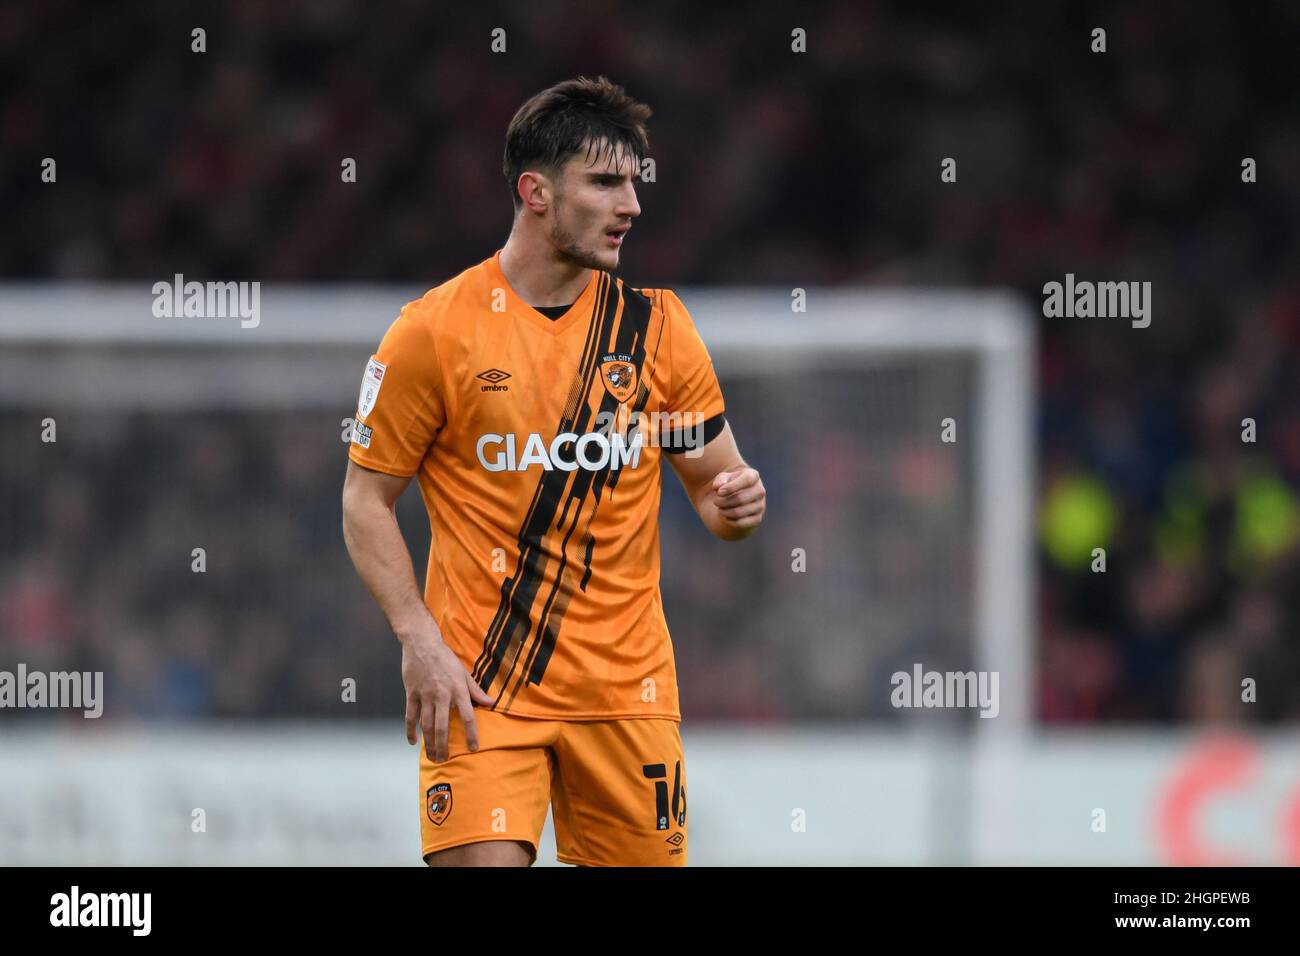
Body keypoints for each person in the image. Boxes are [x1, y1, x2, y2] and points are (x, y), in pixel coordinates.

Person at [341, 76, 765, 866]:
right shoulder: (433, 333)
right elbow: (366, 500)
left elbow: (717, 487)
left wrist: (738, 502)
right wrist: (417, 638)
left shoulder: (657, 330)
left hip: (627, 695)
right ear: (535, 192)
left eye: (634, 183)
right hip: (482, 687)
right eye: (605, 182)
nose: (631, 205)